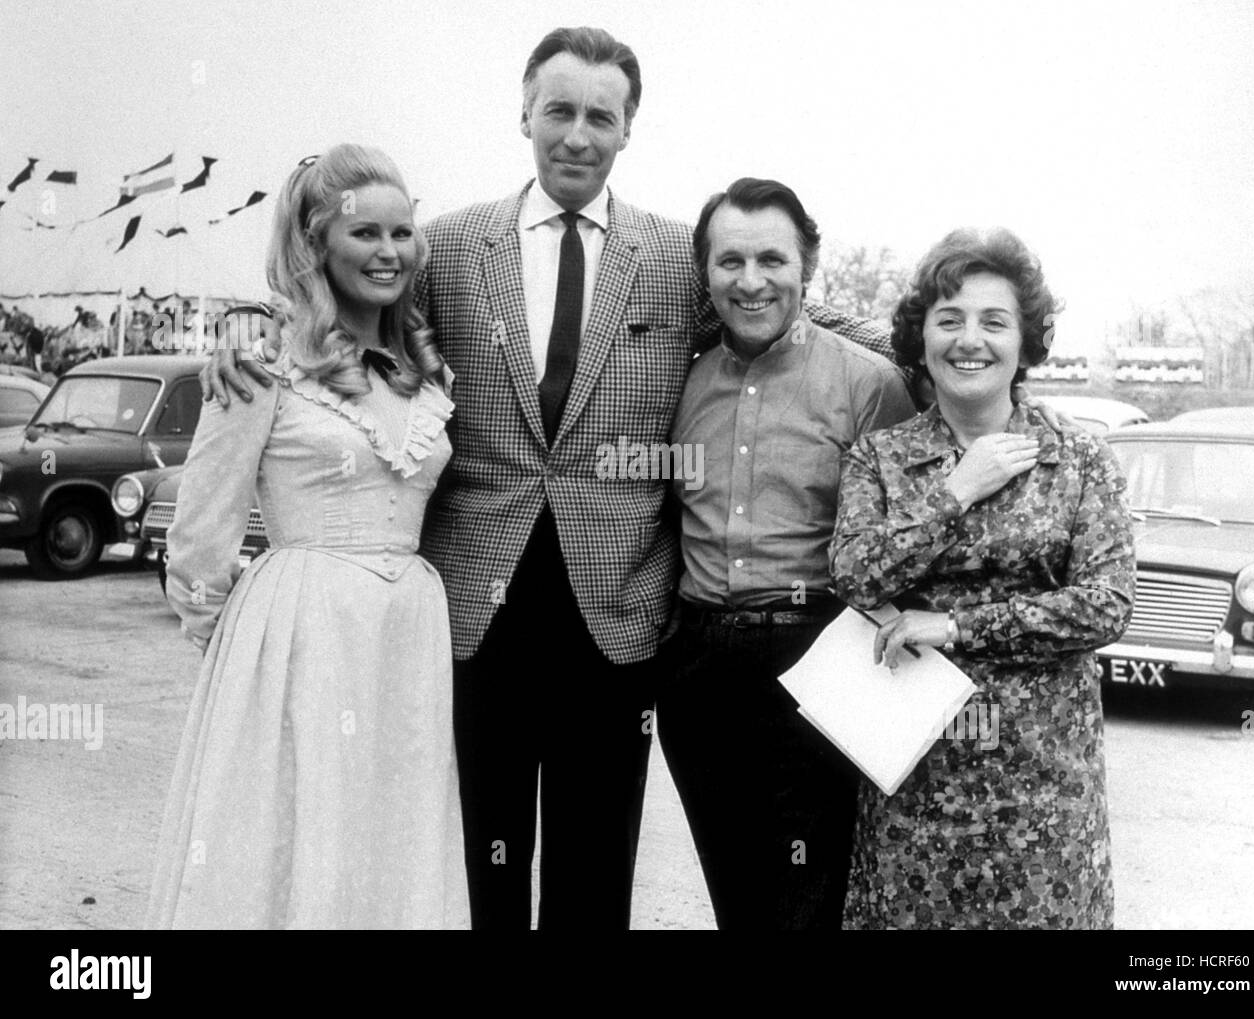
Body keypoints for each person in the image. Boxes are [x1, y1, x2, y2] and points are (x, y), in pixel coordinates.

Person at [203, 26, 894, 930]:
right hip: (468, 612)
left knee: (591, 876)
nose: (578, 134)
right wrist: (245, 322)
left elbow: (770, 295)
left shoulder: (671, 257)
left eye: (600, 117)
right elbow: (340, 294)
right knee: (471, 860)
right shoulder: (445, 249)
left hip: (617, 619)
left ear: (627, 129)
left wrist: (939, 348)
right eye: (559, 110)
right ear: (524, 111)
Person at [146, 144, 469, 929]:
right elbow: (200, 532)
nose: (388, 252)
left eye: (402, 233)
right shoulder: (262, 360)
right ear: (316, 240)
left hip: (406, 638)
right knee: (296, 840)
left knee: (389, 847)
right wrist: (244, 658)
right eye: (365, 234)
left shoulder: (423, 368)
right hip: (299, 636)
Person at [830, 227, 1135, 929]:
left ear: (1027, 342)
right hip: (916, 783)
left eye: (995, 321)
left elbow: (1105, 605)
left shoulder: (1078, 457)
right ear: (922, 338)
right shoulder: (878, 458)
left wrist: (957, 625)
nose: (971, 340)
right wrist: (954, 492)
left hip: (1044, 790)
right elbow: (852, 573)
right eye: (950, 320)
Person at [657, 178, 916, 930]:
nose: (751, 280)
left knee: (808, 901)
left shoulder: (869, 383)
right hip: (700, 665)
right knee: (737, 896)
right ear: (705, 272)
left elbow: (904, 532)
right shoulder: (682, 375)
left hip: (818, 651)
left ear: (808, 264)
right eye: (729, 260)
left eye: (772, 258)